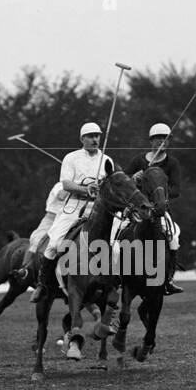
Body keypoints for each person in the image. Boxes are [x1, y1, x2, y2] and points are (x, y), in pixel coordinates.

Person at [17, 122, 116, 296]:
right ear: (82, 139)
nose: (95, 139)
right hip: (74, 207)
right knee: (53, 244)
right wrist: (86, 189)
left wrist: (103, 188)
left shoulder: (107, 160)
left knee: (117, 243)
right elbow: (67, 184)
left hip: (98, 208)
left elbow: (114, 183)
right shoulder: (71, 158)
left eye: (97, 136)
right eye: (91, 136)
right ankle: (42, 284)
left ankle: (116, 281)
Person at [120, 121, 184, 294]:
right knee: (116, 233)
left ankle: (168, 279)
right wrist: (133, 178)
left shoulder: (172, 163)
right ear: (151, 141)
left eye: (165, 138)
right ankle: (116, 275)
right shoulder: (138, 160)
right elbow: (123, 181)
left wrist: (160, 195)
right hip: (137, 208)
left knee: (174, 235)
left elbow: (176, 189)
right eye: (158, 138)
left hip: (160, 209)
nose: (162, 142)